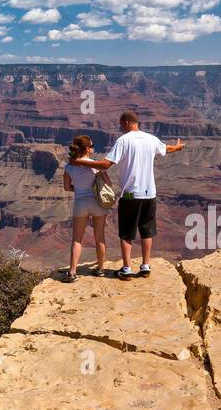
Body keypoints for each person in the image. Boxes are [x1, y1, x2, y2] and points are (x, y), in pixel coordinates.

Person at [69, 111, 184, 278]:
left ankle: (127, 269)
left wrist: (78, 161)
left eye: (121, 124)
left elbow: (105, 165)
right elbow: (168, 148)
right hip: (150, 194)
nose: (120, 127)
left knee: (126, 233)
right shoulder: (151, 139)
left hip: (130, 195)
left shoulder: (123, 141)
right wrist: (178, 147)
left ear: (127, 122)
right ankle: (145, 266)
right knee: (147, 231)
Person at [61, 135, 114, 282]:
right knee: (100, 237)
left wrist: (78, 188)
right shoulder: (96, 165)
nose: (94, 148)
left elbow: (66, 187)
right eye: (92, 145)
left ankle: (72, 272)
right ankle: (101, 269)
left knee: (77, 240)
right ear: (88, 149)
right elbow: (108, 184)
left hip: (80, 204)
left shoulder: (69, 166)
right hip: (97, 203)